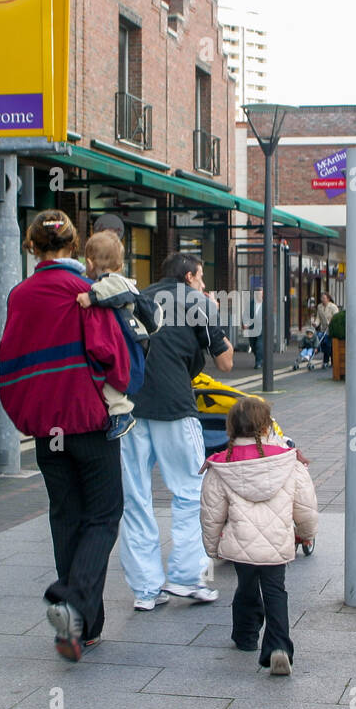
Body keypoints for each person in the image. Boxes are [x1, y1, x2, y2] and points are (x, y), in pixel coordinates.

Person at [0, 210, 131, 662]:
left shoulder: (19, 295)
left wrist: (25, 415)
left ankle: (83, 628)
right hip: (88, 421)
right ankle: (72, 602)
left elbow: (9, 362)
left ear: (32, 247)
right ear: (74, 247)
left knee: (67, 517)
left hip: (46, 428)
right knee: (105, 513)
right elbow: (109, 353)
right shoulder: (85, 293)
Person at [120, 252, 233, 611]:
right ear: (188, 277)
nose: (202, 284)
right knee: (189, 492)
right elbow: (226, 362)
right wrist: (216, 313)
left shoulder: (136, 299)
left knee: (135, 498)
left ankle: (145, 589)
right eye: (200, 277)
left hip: (131, 408)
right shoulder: (199, 302)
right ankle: (186, 578)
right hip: (175, 408)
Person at [200, 397, 318, 676]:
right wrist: (306, 533)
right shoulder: (289, 460)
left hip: (239, 542)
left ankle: (245, 635)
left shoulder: (221, 465)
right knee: (276, 591)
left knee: (246, 587)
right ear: (267, 427)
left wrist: (212, 546)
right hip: (277, 542)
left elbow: (211, 512)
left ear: (230, 429)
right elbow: (306, 507)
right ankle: (278, 647)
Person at [76, 229, 162, 440]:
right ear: (121, 264)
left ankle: (122, 413)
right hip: (131, 341)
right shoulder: (119, 281)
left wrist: (91, 297)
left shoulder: (113, 281)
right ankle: (119, 412)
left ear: (89, 263)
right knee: (113, 378)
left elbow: (114, 291)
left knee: (112, 379)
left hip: (129, 342)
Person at [315, 292, 337, 368]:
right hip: (323, 328)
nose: (322, 300)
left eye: (324, 298)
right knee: (323, 343)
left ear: (328, 299)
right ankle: (326, 360)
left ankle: (327, 360)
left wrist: (331, 322)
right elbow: (318, 318)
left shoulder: (333, 307)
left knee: (328, 343)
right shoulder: (319, 307)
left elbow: (336, 317)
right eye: (322, 298)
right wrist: (315, 323)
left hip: (331, 329)